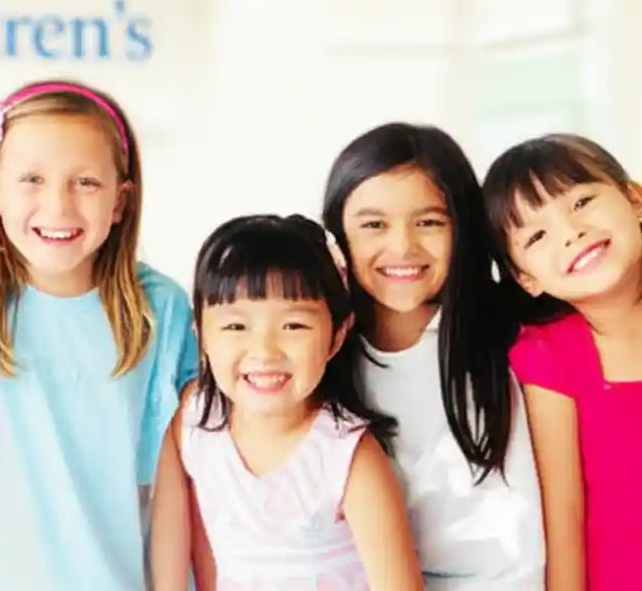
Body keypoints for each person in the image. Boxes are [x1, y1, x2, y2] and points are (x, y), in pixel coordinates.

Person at [0, 80, 199, 590]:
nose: (58, 207)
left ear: (121, 201)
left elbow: (169, 482)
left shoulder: (160, 309)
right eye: (32, 178)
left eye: (86, 183)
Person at [321, 123, 545, 587]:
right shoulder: (320, 359)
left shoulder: (515, 336)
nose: (402, 246)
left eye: (429, 222)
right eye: (373, 225)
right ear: (337, 236)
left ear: (463, 227)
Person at [151, 214, 421, 590]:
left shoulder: (348, 457)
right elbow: (196, 555)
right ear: (201, 334)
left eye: (293, 326)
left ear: (336, 336)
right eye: (235, 326)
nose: (264, 351)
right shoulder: (194, 420)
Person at [482, 134, 642, 591]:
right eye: (536, 235)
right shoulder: (550, 357)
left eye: (582, 201)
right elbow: (563, 523)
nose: (571, 232)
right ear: (525, 277)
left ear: (634, 198)